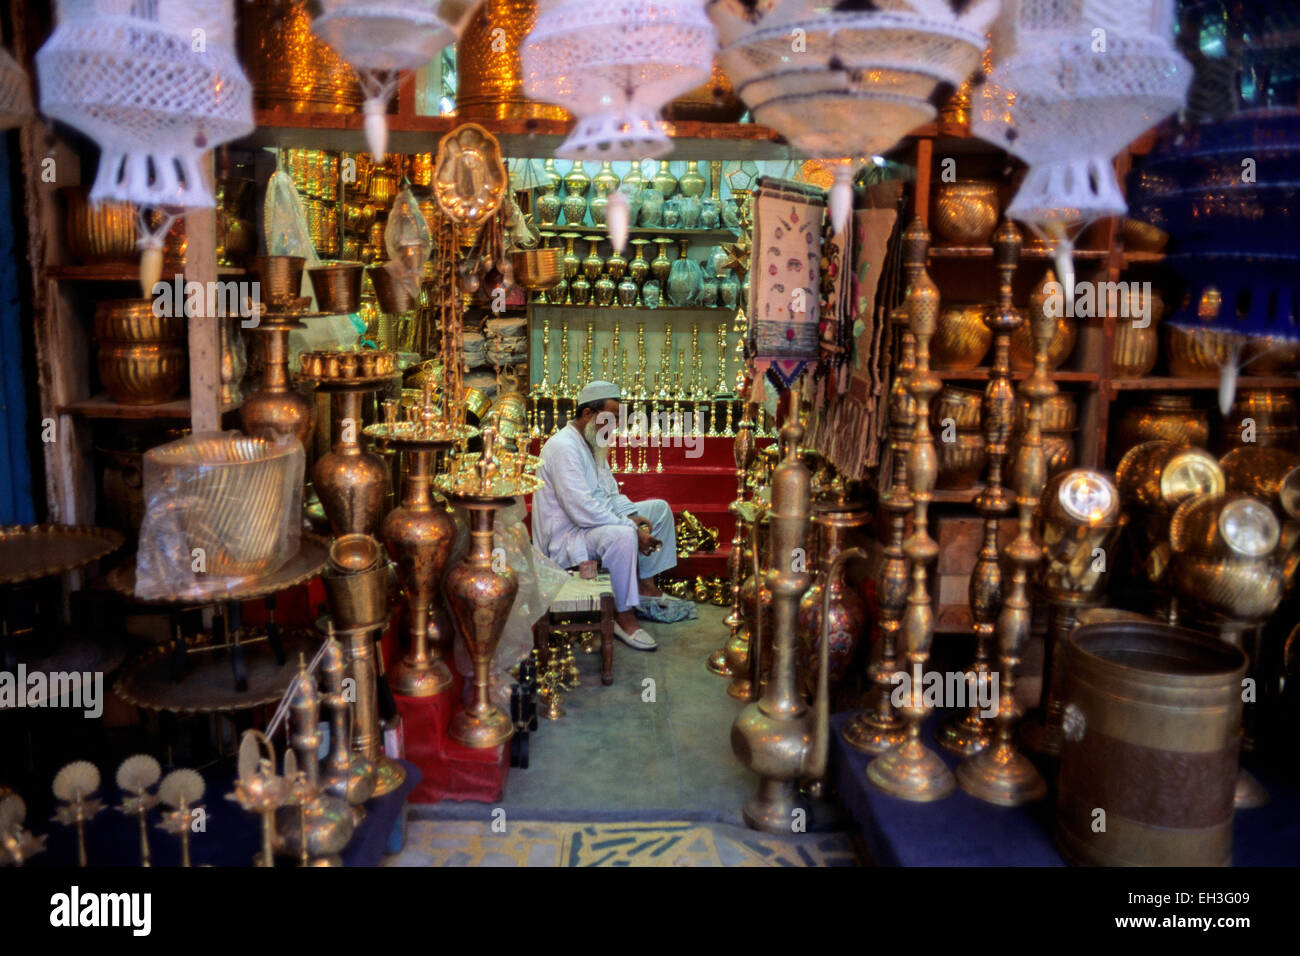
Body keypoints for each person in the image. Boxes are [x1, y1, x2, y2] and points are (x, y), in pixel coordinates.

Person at [532, 381, 676, 651]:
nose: (615, 427)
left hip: (591, 526)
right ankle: (623, 616)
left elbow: (609, 492)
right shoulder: (563, 446)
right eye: (611, 419)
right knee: (621, 536)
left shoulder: (593, 443)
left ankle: (644, 587)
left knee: (659, 509)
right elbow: (581, 509)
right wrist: (631, 529)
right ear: (588, 414)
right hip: (566, 538)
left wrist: (632, 515)